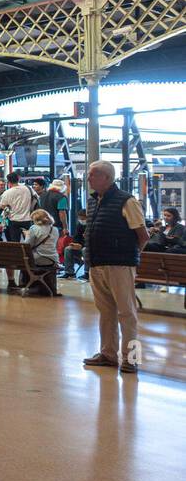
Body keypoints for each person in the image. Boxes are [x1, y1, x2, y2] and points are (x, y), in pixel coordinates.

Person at [81, 160, 150, 375]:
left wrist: (129, 255)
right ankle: (108, 354)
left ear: (107, 178)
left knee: (127, 312)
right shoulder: (93, 202)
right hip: (97, 263)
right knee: (106, 311)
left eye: (93, 175)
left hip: (120, 265)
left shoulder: (126, 201)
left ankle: (132, 359)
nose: (89, 179)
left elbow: (143, 235)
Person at [0, 172, 34, 288]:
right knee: (30, 248)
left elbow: (3, 206)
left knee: (13, 250)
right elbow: (35, 200)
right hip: (27, 221)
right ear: (19, 178)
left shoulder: (7, 193)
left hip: (13, 222)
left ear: (8, 182)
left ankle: (12, 280)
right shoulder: (28, 189)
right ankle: (28, 277)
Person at [23, 208, 60, 295]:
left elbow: (27, 245)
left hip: (38, 258)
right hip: (53, 259)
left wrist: (26, 235)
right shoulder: (55, 229)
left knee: (24, 259)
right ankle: (48, 288)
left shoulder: (34, 228)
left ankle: (27, 285)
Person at [60, 209, 88, 279]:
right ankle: (69, 272)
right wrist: (74, 244)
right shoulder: (79, 226)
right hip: (80, 246)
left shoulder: (92, 225)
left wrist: (81, 246)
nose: (81, 220)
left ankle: (87, 273)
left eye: (83, 219)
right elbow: (76, 237)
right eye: (80, 219)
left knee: (85, 250)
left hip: (90, 247)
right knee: (68, 249)